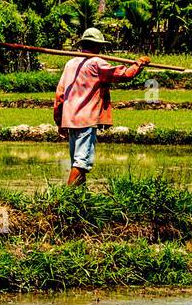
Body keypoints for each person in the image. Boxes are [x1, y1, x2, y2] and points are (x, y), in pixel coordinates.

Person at [54, 28, 149, 186]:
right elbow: (123, 75)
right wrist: (139, 64)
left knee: (77, 162)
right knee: (81, 163)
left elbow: (60, 95)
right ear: (97, 46)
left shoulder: (70, 64)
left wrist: (59, 120)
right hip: (86, 119)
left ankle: (80, 200)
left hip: (70, 119)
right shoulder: (96, 63)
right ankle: (64, 199)